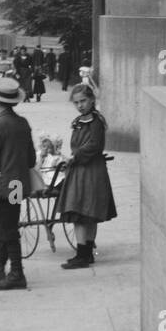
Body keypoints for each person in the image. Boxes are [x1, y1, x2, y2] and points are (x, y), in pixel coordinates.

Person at [0, 75, 37, 290]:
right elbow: (31, 159)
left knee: (7, 227)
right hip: (18, 184)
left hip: (5, 184)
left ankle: (17, 273)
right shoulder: (23, 123)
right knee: (6, 223)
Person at [54, 83, 117, 269]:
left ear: (92, 100)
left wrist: (75, 157)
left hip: (90, 171)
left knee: (82, 213)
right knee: (86, 212)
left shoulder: (96, 122)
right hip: (81, 171)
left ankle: (83, 254)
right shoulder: (80, 121)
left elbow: (94, 146)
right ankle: (87, 253)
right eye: (76, 102)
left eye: (83, 101)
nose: (80, 105)